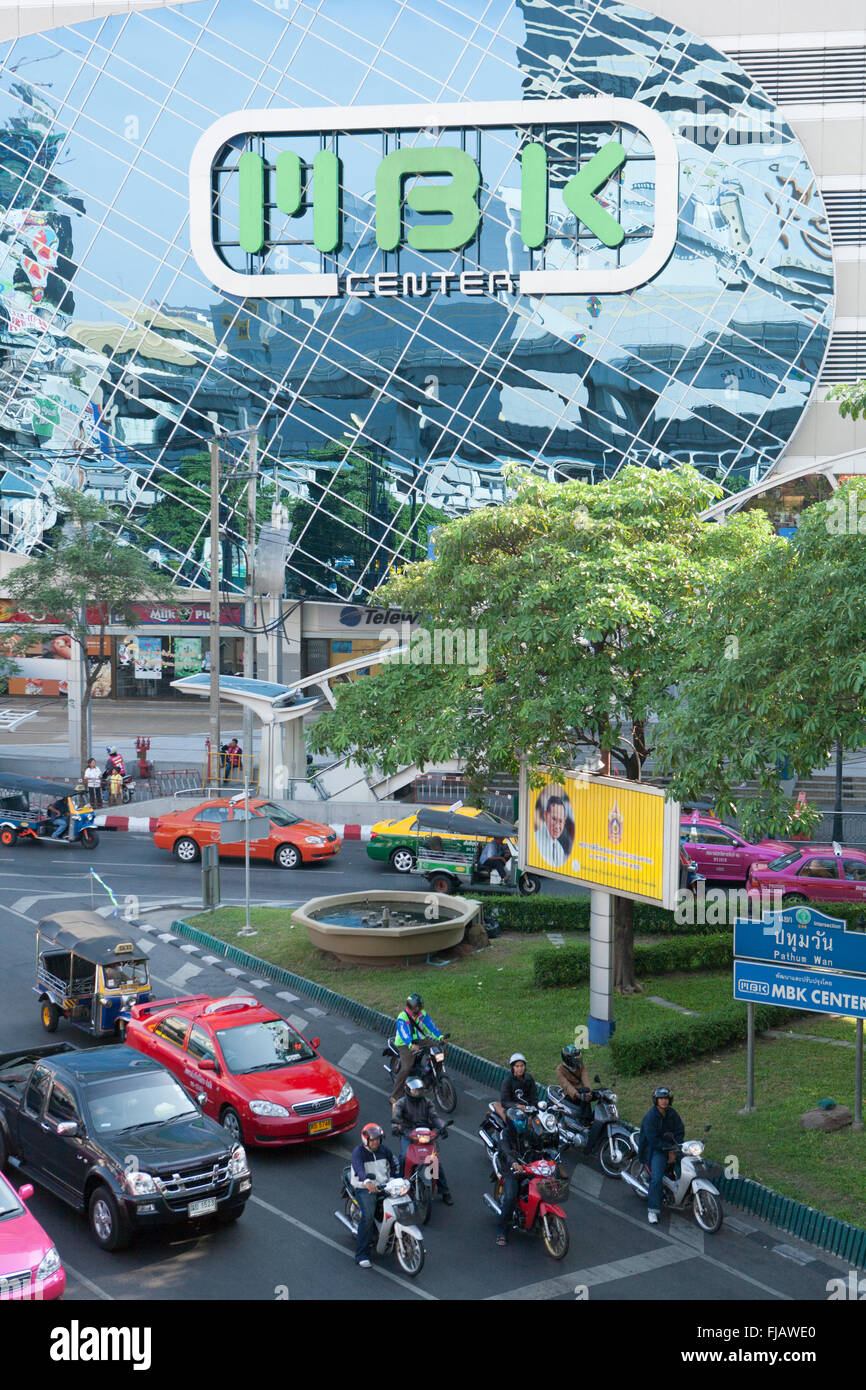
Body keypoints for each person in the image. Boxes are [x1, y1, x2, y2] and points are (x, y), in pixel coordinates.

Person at [391, 1076, 453, 1205]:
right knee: (403, 1157)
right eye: (414, 1090)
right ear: (408, 1090)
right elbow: (396, 1118)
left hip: (425, 1134)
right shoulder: (402, 1103)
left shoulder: (427, 1102)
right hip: (408, 1134)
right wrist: (397, 1129)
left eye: (419, 1090)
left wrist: (442, 1127)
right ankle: (400, 1184)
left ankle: (444, 1190)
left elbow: (435, 1117)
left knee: (435, 1162)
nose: (417, 1093)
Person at [349, 1122, 401, 1268]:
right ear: (366, 1140)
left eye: (378, 1139)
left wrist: (398, 1179)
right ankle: (361, 1254)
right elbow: (359, 1169)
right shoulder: (358, 1152)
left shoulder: (384, 1150)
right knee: (368, 1217)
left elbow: (394, 1164)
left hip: (384, 1186)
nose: (376, 1142)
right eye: (373, 1140)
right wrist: (367, 1182)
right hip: (365, 1188)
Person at [493, 1106, 542, 1247]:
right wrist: (513, 1162)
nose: (521, 1125)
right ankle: (502, 1231)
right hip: (511, 1169)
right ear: (510, 1123)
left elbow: (539, 1147)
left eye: (523, 1122)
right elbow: (506, 1150)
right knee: (510, 1197)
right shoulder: (505, 1134)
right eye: (518, 1123)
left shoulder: (529, 1133)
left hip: (529, 1166)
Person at [638, 1086, 686, 1225]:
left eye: (666, 1098)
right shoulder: (650, 1117)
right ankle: (653, 1209)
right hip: (656, 1149)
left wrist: (677, 1146)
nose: (664, 1101)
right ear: (656, 1100)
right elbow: (653, 1140)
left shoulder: (672, 1113)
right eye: (661, 1099)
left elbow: (680, 1130)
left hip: (672, 1147)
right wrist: (668, 1151)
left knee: (687, 1162)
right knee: (657, 1178)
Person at [389, 993, 445, 1104]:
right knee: (407, 1067)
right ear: (412, 1007)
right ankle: (395, 1095)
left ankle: (433, 1078)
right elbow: (404, 1033)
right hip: (404, 1044)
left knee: (438, 1052)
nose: (419, 1009)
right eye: (417, 1007)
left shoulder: (422, 1014)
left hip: (420, 1040)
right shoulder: (402, 1017)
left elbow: (430, 1027)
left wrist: (440, 1036)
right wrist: (410, 1044)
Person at [556, 1044, 606, 1155]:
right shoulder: (560, 1069)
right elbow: (566, 1085)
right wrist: (578, 1094)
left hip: (583, 1090)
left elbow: (585, 1078)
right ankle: (585, 1122)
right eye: (575, 1059)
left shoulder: (581, 1065)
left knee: (598, 1095)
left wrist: (589, 1091)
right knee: (584, 1097)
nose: (578, 1061)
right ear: (568, 1060)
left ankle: (595, 1118)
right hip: (571, 1094)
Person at [494, 1052, 539, 1121]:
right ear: (512, 1067)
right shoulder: (507, 1082)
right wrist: (516, 1106)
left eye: (522, 1066)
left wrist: (533, 1107)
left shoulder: (529, 1078)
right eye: (517, 1066)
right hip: (513, 1112)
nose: (520, 1068)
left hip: (529, 1110)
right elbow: (504, 1102)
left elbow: (534, 1097)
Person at [534, 795, 569, 867]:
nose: (557, 826)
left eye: (561, 821)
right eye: (554, 819)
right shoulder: (535, 841)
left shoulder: (560, 849)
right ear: (545, 815)